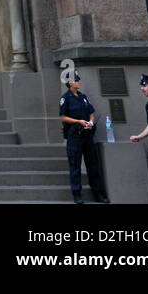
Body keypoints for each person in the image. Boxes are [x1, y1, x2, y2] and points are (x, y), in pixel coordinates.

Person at [59, 71, 110, 204]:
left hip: (87, 135)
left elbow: (91, 112)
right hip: (75, 136)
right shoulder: (65, 98)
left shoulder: (83, 97)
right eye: (76, 80)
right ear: (70, 83)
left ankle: (98, 194)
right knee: (75, 166)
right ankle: (77, 194)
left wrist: (91, 122)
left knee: (93, 165)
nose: (79, 82)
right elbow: (63, 117)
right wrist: (78, 121)